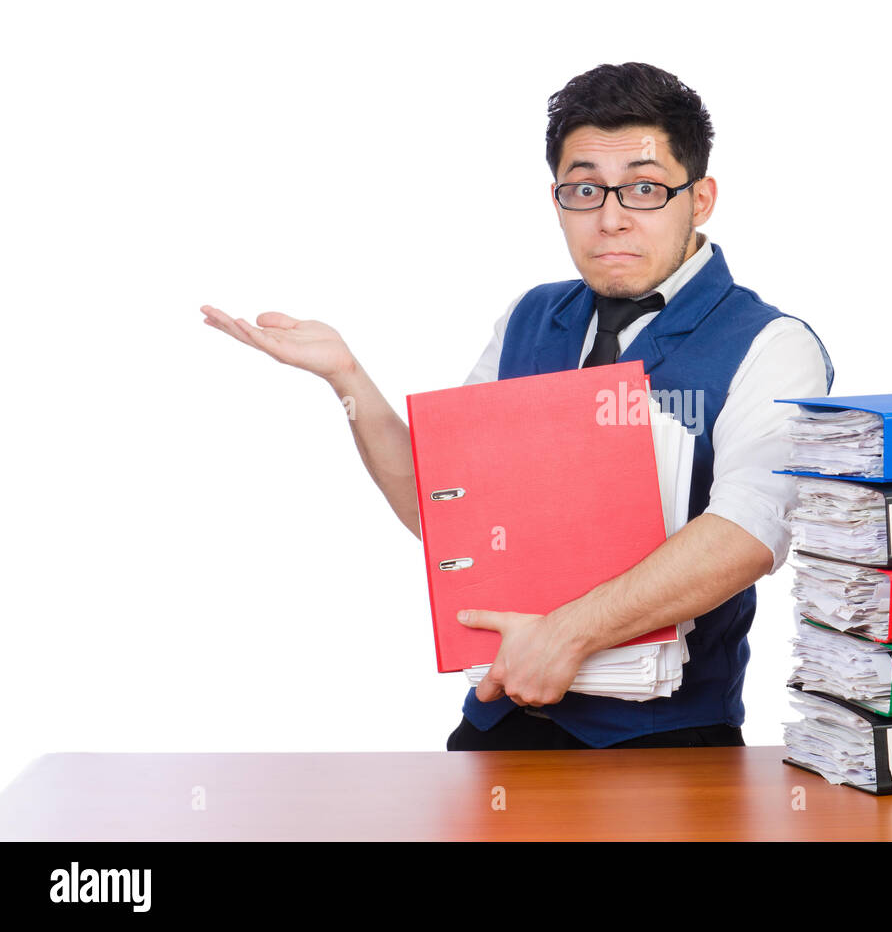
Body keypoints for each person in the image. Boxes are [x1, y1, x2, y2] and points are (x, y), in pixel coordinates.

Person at [200, 61, 834, 751]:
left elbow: (748, 533)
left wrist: (565, 635)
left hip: (664, 744)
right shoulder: (531, 318)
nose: (612, 217)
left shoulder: (772, 344)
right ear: (557, 198)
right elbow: (446, 511)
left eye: (645, 189)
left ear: (700, 197)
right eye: (585, 189)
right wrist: (348, 376)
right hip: (497, 722)